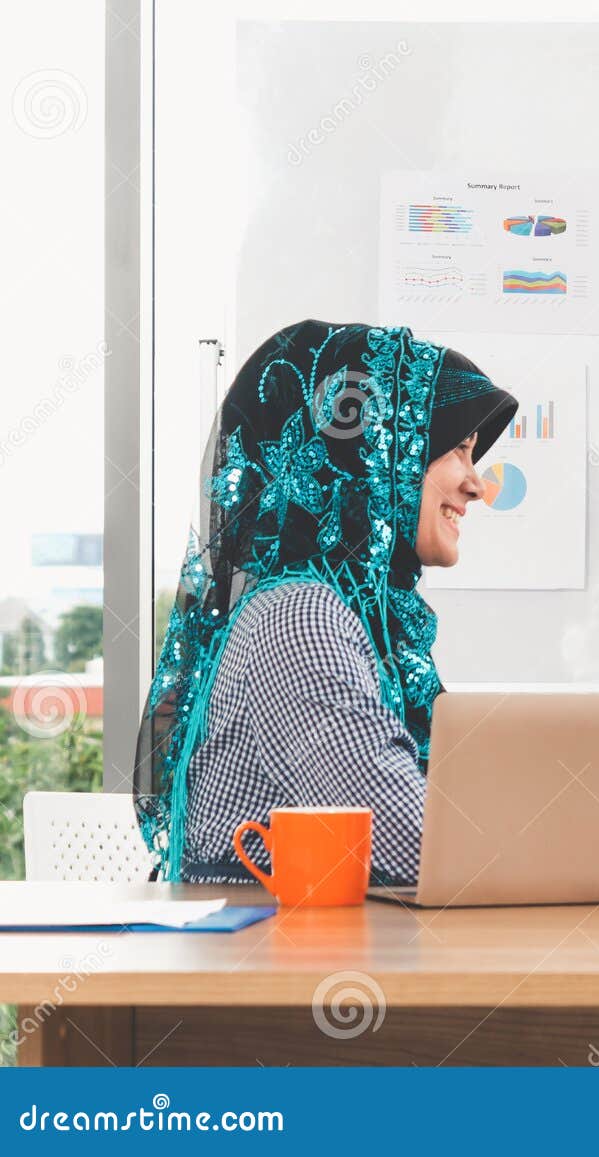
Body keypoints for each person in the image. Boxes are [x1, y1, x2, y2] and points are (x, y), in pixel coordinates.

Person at [134, 320, 518, 885]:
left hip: (317, 940)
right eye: (458, 449)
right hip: (273, 945)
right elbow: (411, 844)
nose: (476, 485)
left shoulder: (338, 610)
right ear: (377, 454)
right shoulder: (298, 618)